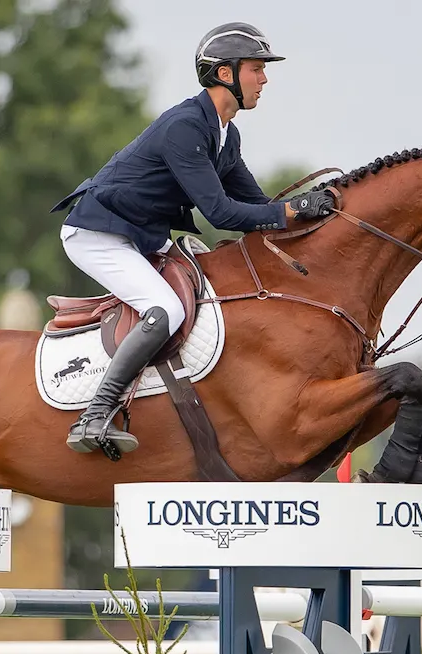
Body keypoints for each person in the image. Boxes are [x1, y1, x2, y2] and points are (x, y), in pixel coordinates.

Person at [50, 21, 338, 456]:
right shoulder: (185, 126)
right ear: (226, 74)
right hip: (97, 232)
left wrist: (313, 213)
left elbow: (256, 210)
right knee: (163, 307)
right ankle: (94, 416)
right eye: (256, 69)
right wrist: (292, 210)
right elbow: (221, 213)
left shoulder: (227, 134)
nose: (264, 79)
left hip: (140, 234)